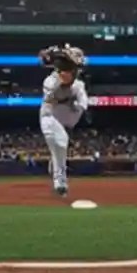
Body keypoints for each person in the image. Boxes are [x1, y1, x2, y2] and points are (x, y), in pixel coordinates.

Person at [37, 44, 88, 197]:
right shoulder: (50, 81)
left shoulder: (79, 85)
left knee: (61, 144)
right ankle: (60, 183)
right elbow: (55, 90)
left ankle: (56, 163)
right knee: (61, 141)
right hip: (49, 117)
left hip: (67, 121)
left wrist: (77, 105)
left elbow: (83, 103)